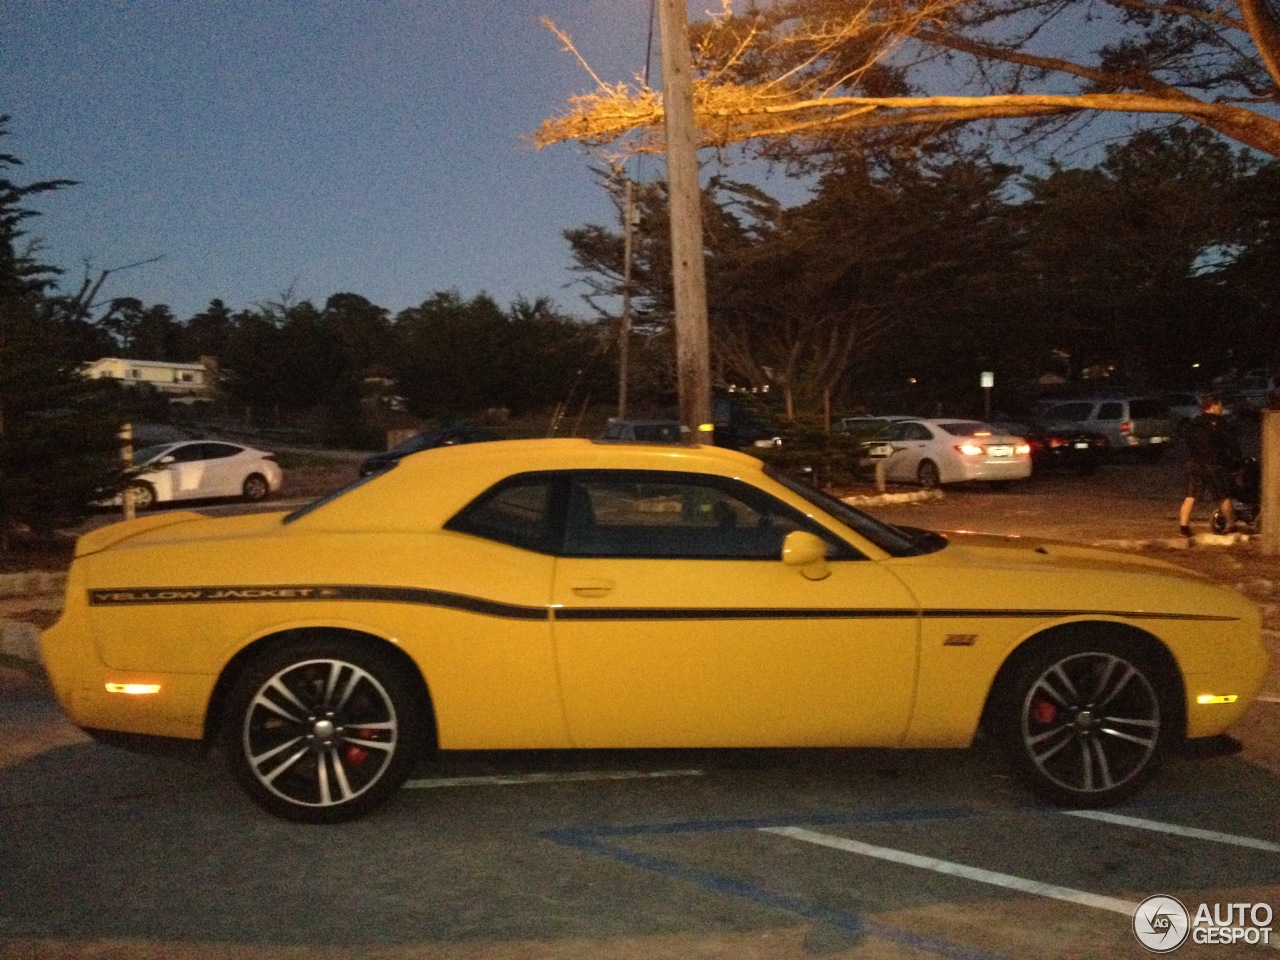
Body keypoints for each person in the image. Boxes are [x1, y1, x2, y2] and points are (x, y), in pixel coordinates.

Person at [1179, 394, 1240, 537]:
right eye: (1220, 405)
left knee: (1191, 494)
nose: (1222, 408)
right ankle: (1232, 526)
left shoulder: (1194, 423)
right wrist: (1235, 457)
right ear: (1213, 406)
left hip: (1194, 462)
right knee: (1223, 495)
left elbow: (1188, 441)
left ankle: (1184, 526)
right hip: (1213, 464)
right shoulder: (1220, 423)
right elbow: (1230, 443)